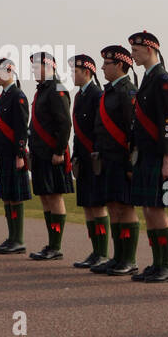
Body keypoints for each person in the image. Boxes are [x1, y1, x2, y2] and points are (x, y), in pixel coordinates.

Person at [127, 30, 168, 283]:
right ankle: (156, 263)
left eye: (135, 51)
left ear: (149, 50)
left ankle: (167, 265)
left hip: (159, 155)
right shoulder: (148, 78)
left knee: (157, 209)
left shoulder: (162, 79)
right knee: (148, 209)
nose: (132, 55)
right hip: (145, 153)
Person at [90, 44, 140, 276]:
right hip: (107, 159)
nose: (102, 68)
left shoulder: (127, 91)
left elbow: (132, 130)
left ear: (119, 65)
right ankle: (117, 256)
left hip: (121, 159)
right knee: (113, 207)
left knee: (125, 207)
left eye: (106, 63)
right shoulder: (108, 92)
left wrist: (131, 164)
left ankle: (129, 259)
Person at [27, 51, 74, 260]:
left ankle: (56, 246)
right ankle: (51, 243)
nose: (33, 71)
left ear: (49, 67)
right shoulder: (43, 90)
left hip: (52, 153)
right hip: (40, 153)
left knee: (54, 197)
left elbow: (64, 123)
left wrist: (58, 151)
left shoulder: (57, 88)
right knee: (45, 197)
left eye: (37, 67)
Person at [68, 54, 110, 268]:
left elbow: (100, 128)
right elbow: (77, 131)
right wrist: (75, 155)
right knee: (87, 205)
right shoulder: (79, 96)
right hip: (83, 157)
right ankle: (95, 251)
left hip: (95, 157)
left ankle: (102, 252)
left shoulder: (97, 94)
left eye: (75, 71)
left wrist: (97, 154)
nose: (72, 75)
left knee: (97, 207)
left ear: (87, 72)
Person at [0, 58, 32, 255]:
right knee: (7, 197)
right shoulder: (3, 96)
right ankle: (11, 237)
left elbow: (21, 127)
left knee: (15, 197)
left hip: (14, 154)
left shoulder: (17, 95)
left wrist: (20, 153)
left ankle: (18, 239)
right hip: (4, 153)